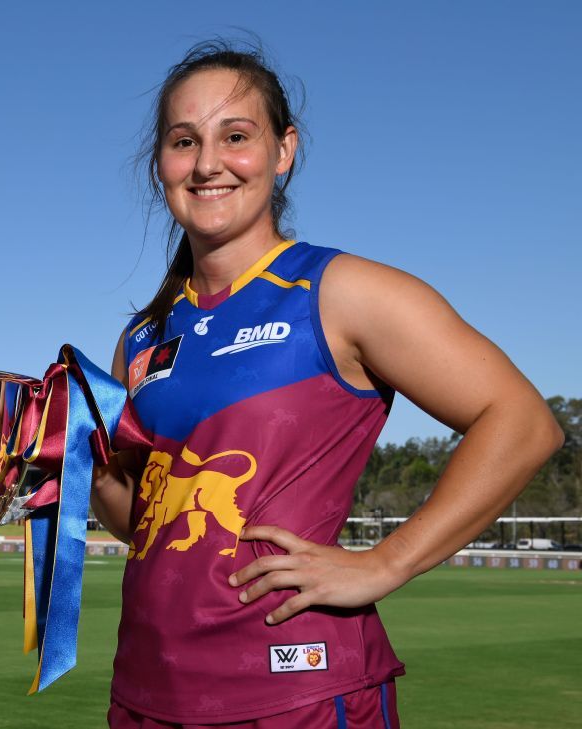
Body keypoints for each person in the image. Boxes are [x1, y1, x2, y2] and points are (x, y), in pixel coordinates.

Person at [88, 40, 561, 728]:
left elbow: (521, 421)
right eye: (184, 141)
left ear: (284, 151)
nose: (209, 163)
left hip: (296, 691)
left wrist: (385, 561)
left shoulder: (340, 292)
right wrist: (81, 468)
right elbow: (150, 523)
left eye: (237, 136)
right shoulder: (143, 336)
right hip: (147, 692)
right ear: (161, 162)